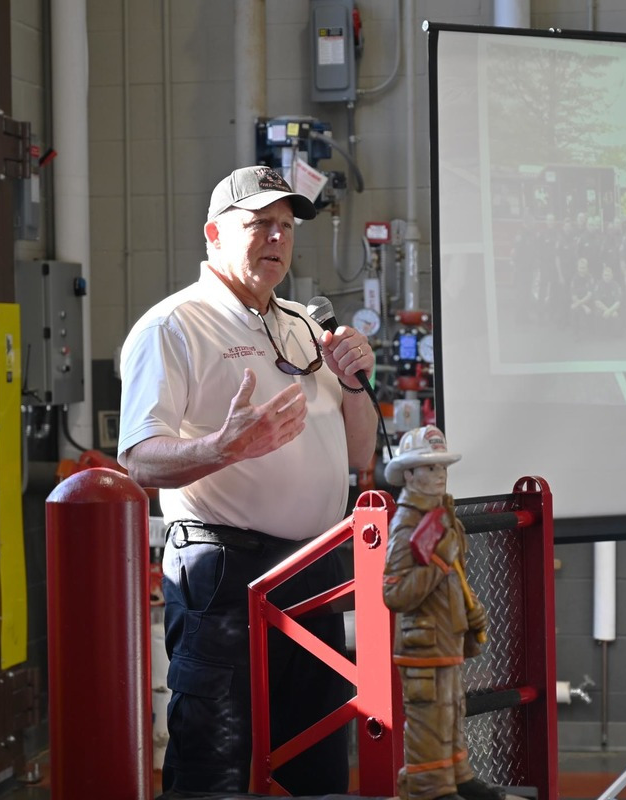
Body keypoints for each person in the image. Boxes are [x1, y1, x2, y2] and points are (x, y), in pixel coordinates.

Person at [116, 165, 378, 795]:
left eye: (286, 226)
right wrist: (224, 447)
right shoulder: (174, 326)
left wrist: (352, 381)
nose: (276, 238)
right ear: (214, 234)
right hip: (224, 574)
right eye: (259, 223)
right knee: (216, 762)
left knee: (316, 760)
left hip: (311, 571)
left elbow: (362, 451)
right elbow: (138, 459)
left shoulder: (302, 325)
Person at [382, 426, 504, 800]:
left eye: (442, 470)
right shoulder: (406, 525)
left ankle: (457, 776)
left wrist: (471, 612)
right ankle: (428, 788)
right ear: (408, 475)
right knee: (427, 718)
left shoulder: (443, 518)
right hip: (422, 643)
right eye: (428, 469)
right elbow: (394, 593)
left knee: (451, 711)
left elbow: (457, 578)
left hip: (446, 638)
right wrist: (436, 562)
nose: (438, 477)